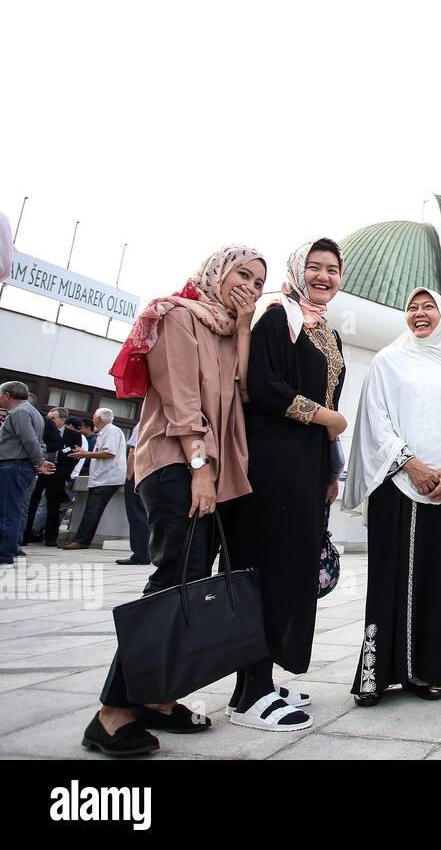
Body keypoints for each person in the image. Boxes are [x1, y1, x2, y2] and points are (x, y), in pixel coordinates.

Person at [86, 244, 265, 756]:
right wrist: (200, 468)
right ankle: (113, 713)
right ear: (216, 271)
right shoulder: (177, 315)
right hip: (175, 467)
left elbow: (246, 393)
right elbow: (182, 397)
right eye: (243, 274)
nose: (250, 287)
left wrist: (247, 326)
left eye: (258, 281)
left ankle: (158, 699)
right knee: (169, 582)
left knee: (187, 584)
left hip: (205, 473)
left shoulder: (228, 333)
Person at [224, 238, 347, 731]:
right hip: (271, 462)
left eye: (332, 270)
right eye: (314, 267)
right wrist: (322, 416)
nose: (322, 276)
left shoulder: (328, 333)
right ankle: (249, 693)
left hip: (306, 467)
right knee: (264, 569)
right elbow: (261, 384)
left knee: (290, 572)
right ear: (298, 270)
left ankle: (261, 680)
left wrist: (329, 468)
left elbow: (329, 407)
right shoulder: (277, 316)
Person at [342, 288, 441, 706]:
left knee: (439, 578)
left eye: (429, 308)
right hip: (398, 483)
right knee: (389, 578)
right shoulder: (387, 361)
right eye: (413, 308)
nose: (420, 314)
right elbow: (376, 418)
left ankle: (426, 672)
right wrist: (412, 466)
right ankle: (377, 675)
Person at [0, 383, 55, 564]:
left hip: (14, 465)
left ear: (7, 395)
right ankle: (9, 549)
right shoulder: (33, 412)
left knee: (8, 511)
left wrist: (38, 461)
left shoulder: (20, 412)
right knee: (14, 509)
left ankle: (4, 552)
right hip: (20, 466)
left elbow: (29, 440)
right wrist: (38, 460)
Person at [61, 409, 128, 550]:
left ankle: (82, 540)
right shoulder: (105, 432)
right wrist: (86, 453)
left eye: (94, 416)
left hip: (108, 477)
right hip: (101, 477)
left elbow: (109, 453)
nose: (93, 419)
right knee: (91, 509)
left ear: (98, 418)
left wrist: (86, 454)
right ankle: (80, 539)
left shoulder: (112, 431)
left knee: (93, 510)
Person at [22, 406, 66, 545]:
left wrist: (63, 474)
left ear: (62, 420)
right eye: (48, 417)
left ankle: (50, 538)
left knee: (53, 506)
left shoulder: (72, 435)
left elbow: (72, 457)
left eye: (53, 418)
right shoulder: (40, 427)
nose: (49, 420)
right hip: (38, 469)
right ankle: (25, 535)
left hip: (57, 473)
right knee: (31, 503)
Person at [117, 424, 151, 565]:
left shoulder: (144, 422)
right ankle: (145, 552)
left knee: (136, 515)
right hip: (150, 472)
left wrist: (129, 476)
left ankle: (141, 553)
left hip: (137, 473)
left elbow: (133, 451)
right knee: (144, 515)